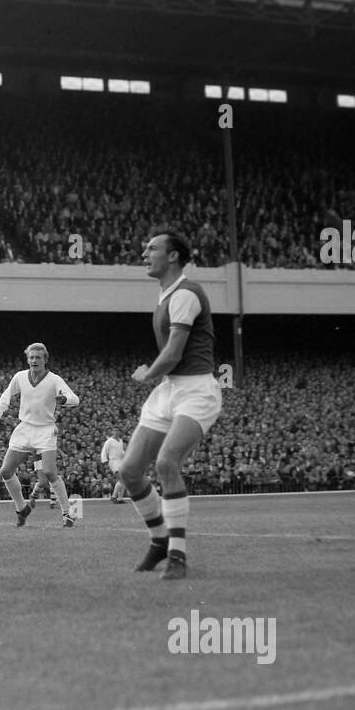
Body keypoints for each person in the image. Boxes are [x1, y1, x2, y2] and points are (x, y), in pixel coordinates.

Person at [118, 232, 224, 580]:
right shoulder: (166, 294)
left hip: (197, 390)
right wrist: (156, 378)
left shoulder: (186, 293)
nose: (144, 252)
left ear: (173, 256)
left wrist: (148, 373)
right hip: (170, 389)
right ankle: (159, 540)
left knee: (166, 462)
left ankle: (177, 556)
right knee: (130, 471)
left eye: (152, 248)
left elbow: (175, 353)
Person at [0, 343, 80, 527]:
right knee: (5, 471)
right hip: (25, 428)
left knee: (49, 472)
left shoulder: (54, 380)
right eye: (31, 357)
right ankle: (22, 508)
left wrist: (64, 399)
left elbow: (75, 398)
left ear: (45, 360)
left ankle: (68, 513)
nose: (34, 360)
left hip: (46, 429)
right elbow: (6, 396)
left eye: (38, 357)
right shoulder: (20, 377)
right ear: (27, 359)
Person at [100, 430, 127, 503]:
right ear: (112, 432)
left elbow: (121, 451)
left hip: (120, 461)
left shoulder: (120, 441)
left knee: (124, 480)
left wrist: (125, 455)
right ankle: (114, 496)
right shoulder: (109, 441)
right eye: (114, 431)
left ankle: (120, 499)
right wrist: (105, 461)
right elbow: (104, 451)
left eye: (117, 431)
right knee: (121, 479)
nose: (116, 432)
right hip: (113, 462)